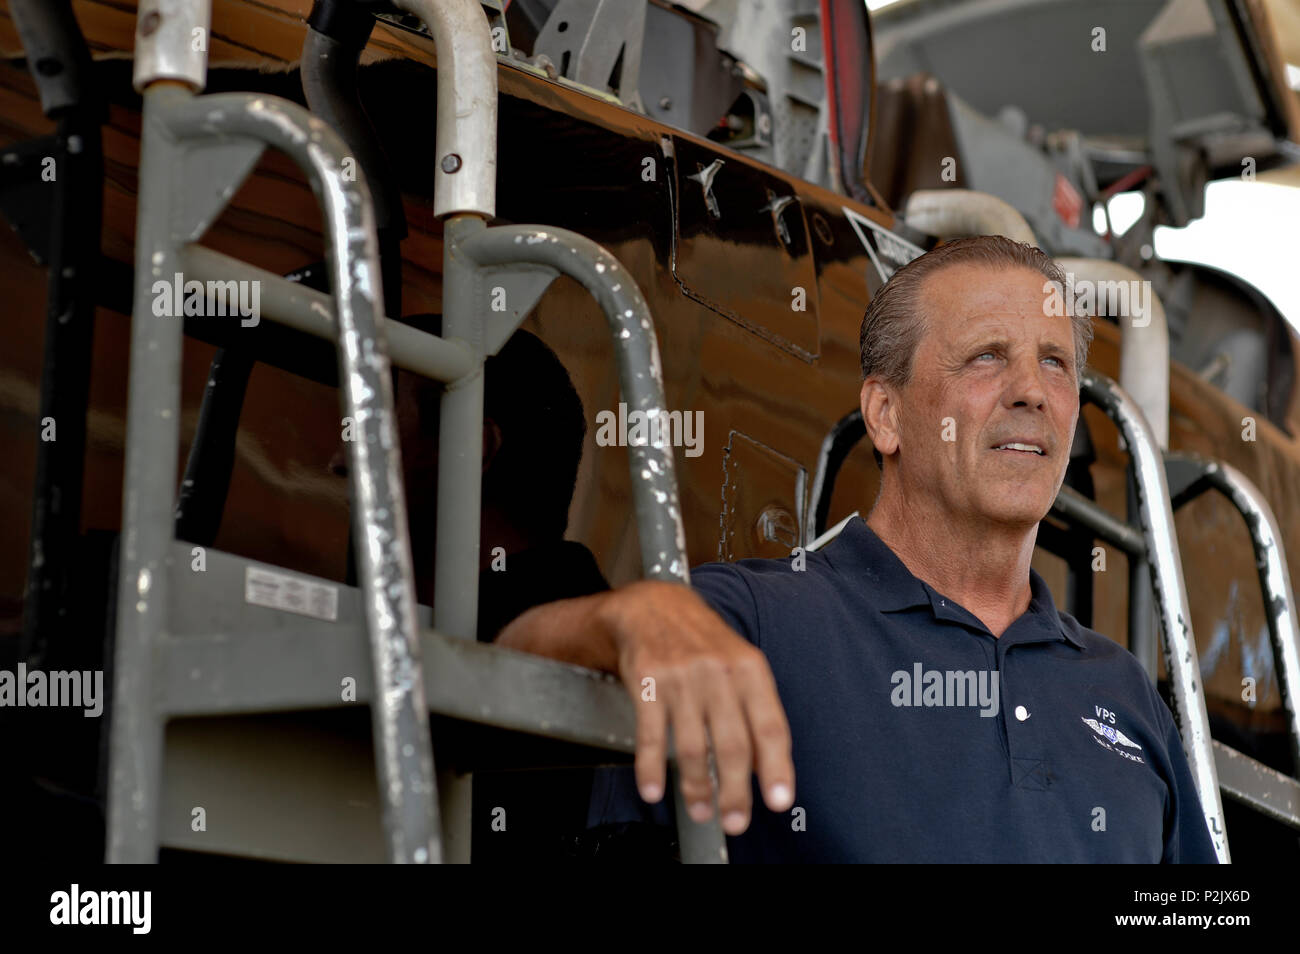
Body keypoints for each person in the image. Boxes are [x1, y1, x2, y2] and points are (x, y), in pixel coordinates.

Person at [496, 235, 1220, 862]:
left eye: (1057, 363)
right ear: (886, 414)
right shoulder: (754, 619)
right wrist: (629, 619)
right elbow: (503, 672)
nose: (1032, 389)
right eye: (986, 357)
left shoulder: (1126, 694)